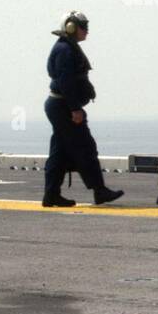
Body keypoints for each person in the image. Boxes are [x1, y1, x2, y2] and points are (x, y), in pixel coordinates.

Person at [42, 11, 123, 207]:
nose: (86, 30)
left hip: (61, 105)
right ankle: (99, 190)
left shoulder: (68, 47)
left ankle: (51, 195)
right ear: (70, 27)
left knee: (60, 152)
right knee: (85, 147)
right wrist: (75, 109)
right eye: (82, 25)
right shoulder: (65, 50)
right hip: (64, 106)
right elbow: (65, 82)